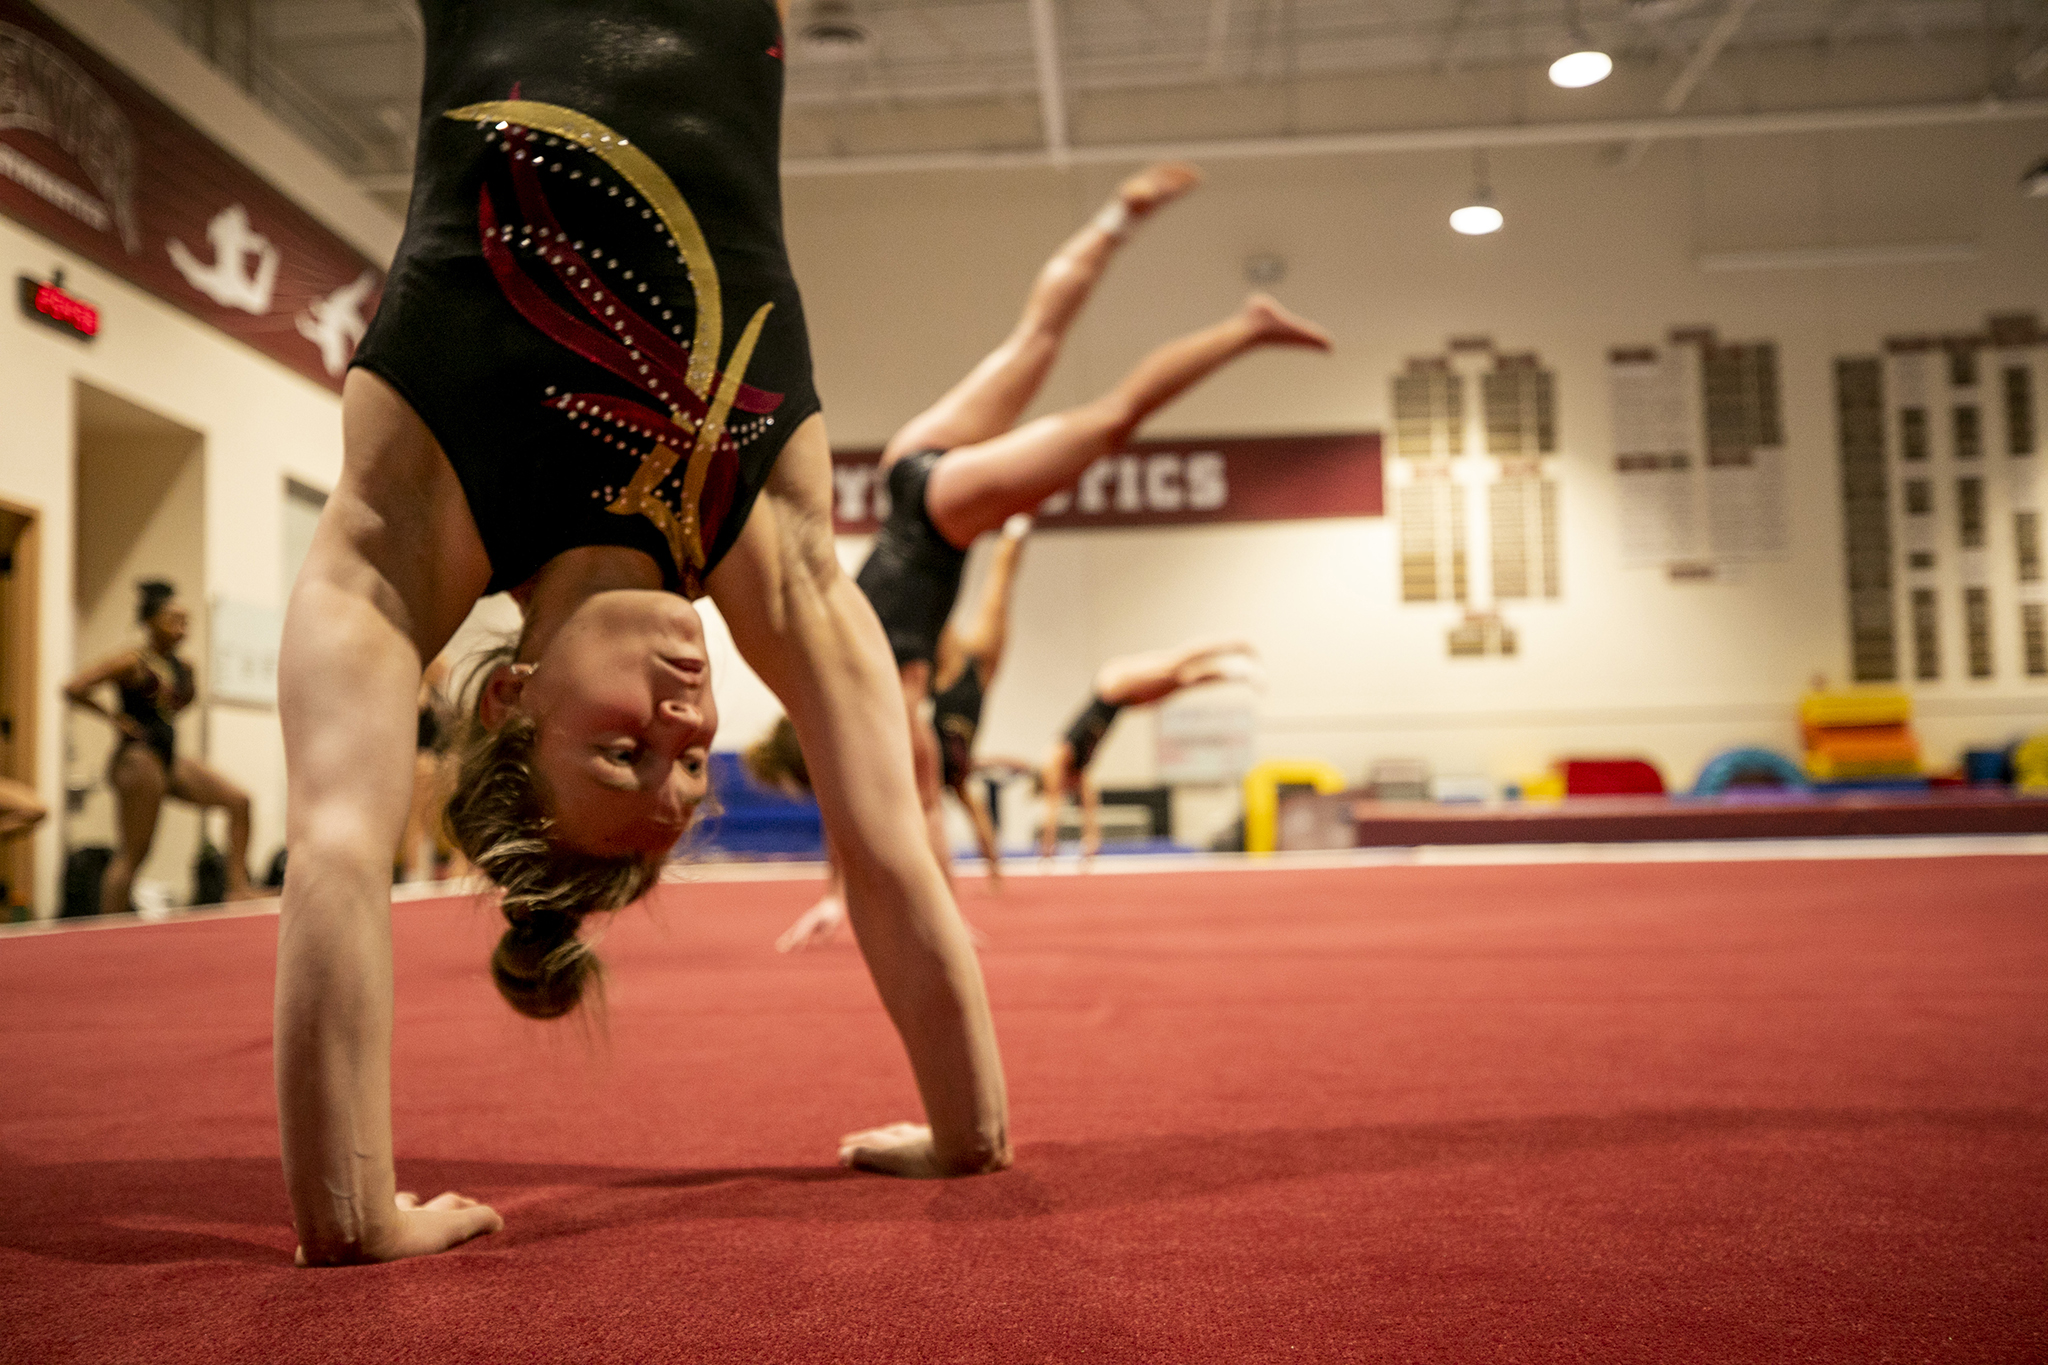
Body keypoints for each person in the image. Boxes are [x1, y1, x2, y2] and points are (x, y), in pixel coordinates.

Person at [277, 0, 1006, 1269]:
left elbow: (338, 851)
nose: (683, 723)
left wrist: (349, 1217)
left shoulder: (412, 528)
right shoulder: (765, 546)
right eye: (691, 764)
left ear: (505, 701)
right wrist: (968, 1133)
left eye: (625, 755)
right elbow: (889, 854)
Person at [850, 161, 1330, 895]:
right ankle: (1117, 218)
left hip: (937, 516)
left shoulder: (893, 692)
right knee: (1036, 338)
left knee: (1112, 418)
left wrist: (928, 905)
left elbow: (924, 806)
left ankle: (1248, 327)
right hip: (906, 475)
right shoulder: (857, 656)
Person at [757, 514, 1031, 952]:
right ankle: (1010, 533)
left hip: (914, 567)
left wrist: (836, 898)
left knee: (980, 564)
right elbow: (857, 811)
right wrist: (834, 897)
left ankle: (1011, 533)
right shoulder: (853, 702)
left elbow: (917, 810)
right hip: (894, 580)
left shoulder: (884, 713)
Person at [63, 580, 260, 914]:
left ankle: (238, 887)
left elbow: (175, 706)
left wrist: (188, 687)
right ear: (150, 621)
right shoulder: (131, 662)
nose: (181, 628)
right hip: (137, 760)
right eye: (172, 620)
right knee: (135, 852)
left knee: (238, 801)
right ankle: (109, 926)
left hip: (167, 757)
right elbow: (74, 688)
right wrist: (113, 717)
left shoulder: (183, 667)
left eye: (185, 621)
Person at [1039, 639, 1261, 858]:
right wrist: (1092, 839)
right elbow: (1089, 805)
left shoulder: (1056, 756)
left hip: (1110, 685)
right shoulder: (1078, 769)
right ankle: (1235, 672)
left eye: (1063, 788)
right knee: (1181, 682)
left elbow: (1052, 806)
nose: (1069, 790)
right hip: (1121, 702)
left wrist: (1048, 846)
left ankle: (1234, 645)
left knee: (1172, 664)